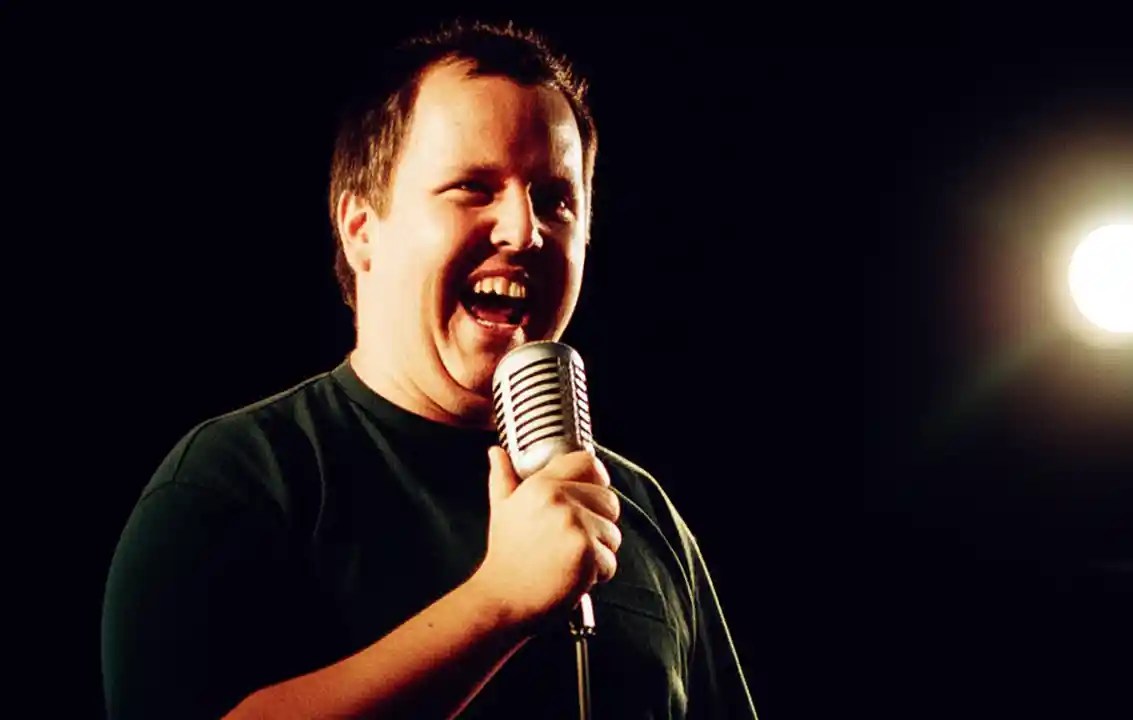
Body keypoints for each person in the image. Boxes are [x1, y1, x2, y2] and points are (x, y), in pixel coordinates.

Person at [101, 19, 758, 719]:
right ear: (361, 229)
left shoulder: (640, 512)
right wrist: (498, 602)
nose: (524, 230)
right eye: (474, 188)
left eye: (555, 200)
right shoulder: (238, 481)